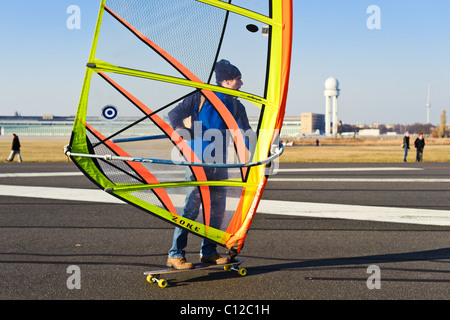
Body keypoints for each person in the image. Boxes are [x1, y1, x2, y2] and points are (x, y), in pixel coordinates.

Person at [166, 60, 253, 270]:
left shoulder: (236, 104)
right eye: (238, 79)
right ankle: (175, 254)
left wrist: (258, 153)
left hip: (220, 163)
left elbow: (246, 131)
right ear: (225, 81)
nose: (242, 83)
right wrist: (181, 130)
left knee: (217, 210)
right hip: (198, 161)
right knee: (191, 208)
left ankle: (209, 252)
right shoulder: (200, 96)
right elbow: (174, 115)